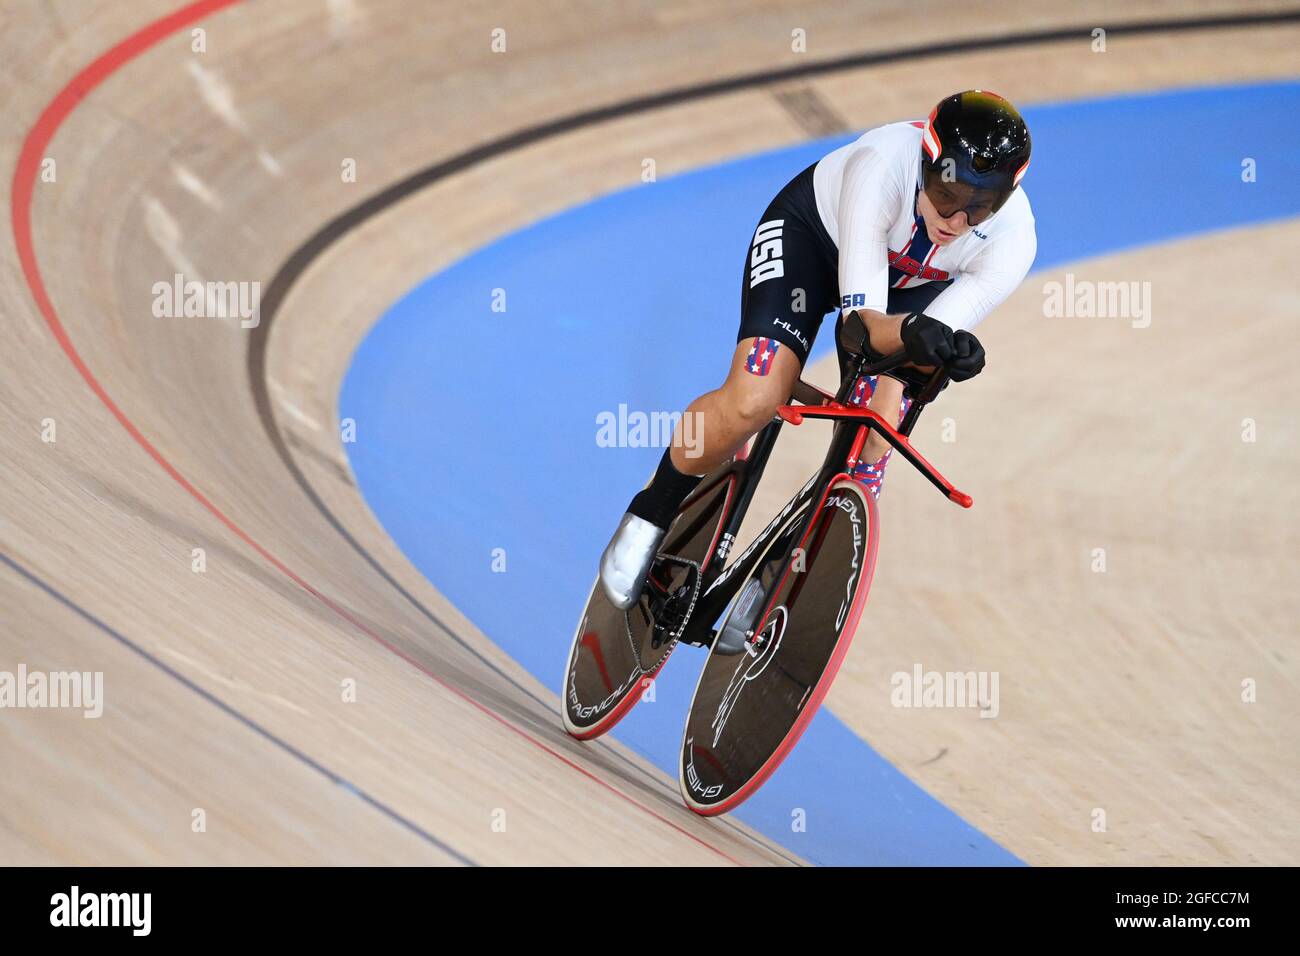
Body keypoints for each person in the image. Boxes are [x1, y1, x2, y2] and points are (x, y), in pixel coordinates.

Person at [600, 89, 1037, 610]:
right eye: (948, 194)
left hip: (909, 291)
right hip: (813, 240)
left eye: (979, 208)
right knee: (756, 398)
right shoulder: (881, 168)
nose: (956, 221)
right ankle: (653, 506)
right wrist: (916, 336)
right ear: (926, 161)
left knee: (877, 437)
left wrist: (943, 353)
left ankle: (784, 568)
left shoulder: (1014, 242)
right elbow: (860, 331)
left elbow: (919, 342)